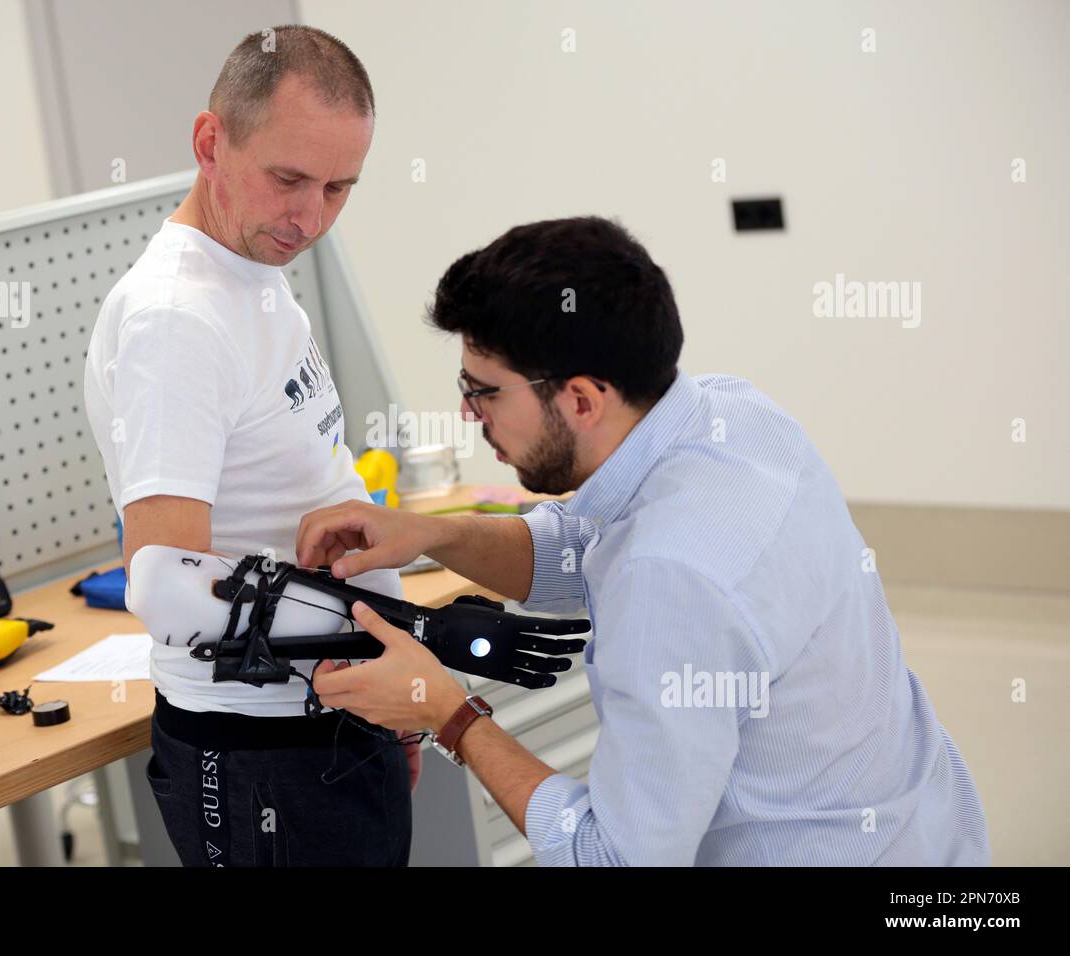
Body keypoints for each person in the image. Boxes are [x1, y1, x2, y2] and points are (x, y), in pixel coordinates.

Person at [297, 215, 991, 866]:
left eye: (483, 393)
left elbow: (616, 857)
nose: (467, 414)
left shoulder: (669, 582)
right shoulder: (733, 414)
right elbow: (588, 544)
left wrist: (447, 713)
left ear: (581, 400)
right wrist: (430, 534)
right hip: (922, 826)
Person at [84, 26, 413, 867]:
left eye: (340, 187)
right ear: (210, 143)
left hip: (332, 719)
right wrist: (397, 635)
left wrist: (384, 670)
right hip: (261, 752)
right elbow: (167, 581)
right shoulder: (176, 319)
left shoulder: (253, 277)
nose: (311, 216)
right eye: (288, 179)